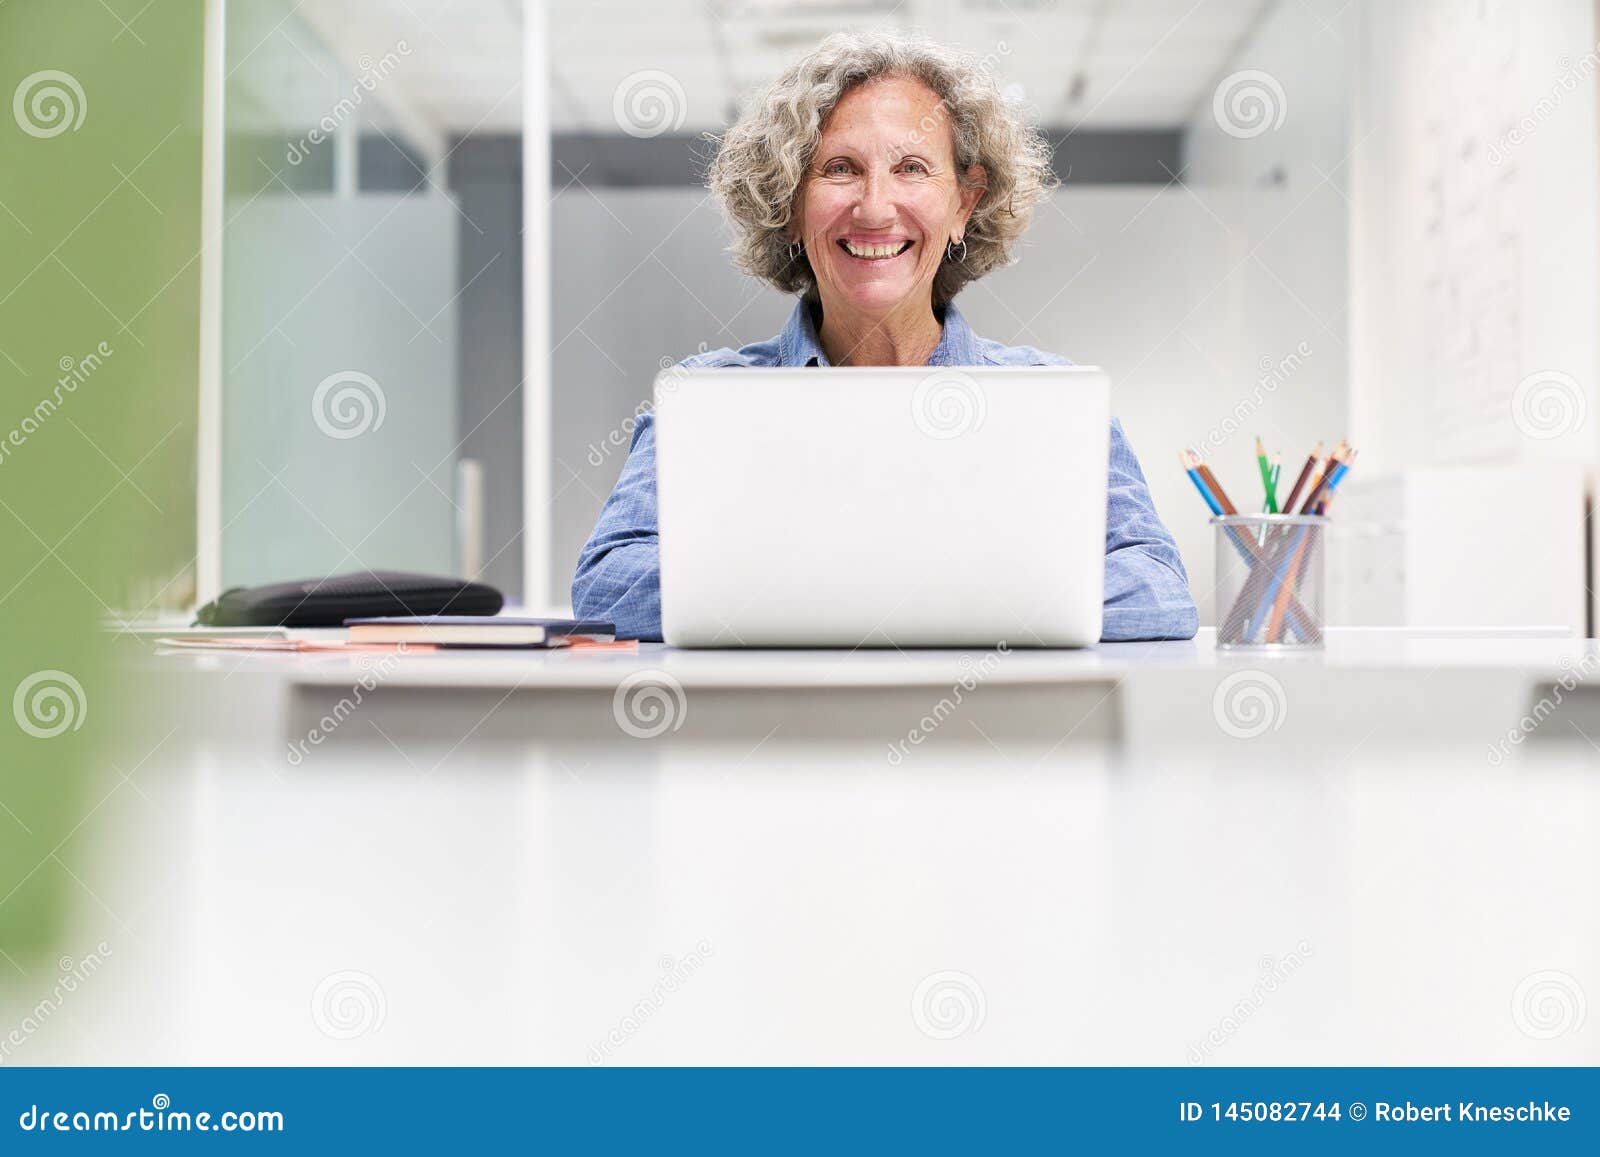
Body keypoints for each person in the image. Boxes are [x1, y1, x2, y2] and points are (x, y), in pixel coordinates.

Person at [574, 31, 1198, 643]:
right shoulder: (705, 399)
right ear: (790, 205)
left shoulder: (1051, 400)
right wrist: (929, 592)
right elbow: (608, 587)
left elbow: (1158, 591)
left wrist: (830, 592)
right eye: (840, 169)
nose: (875, 208)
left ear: (964, 204)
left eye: (912, 168)